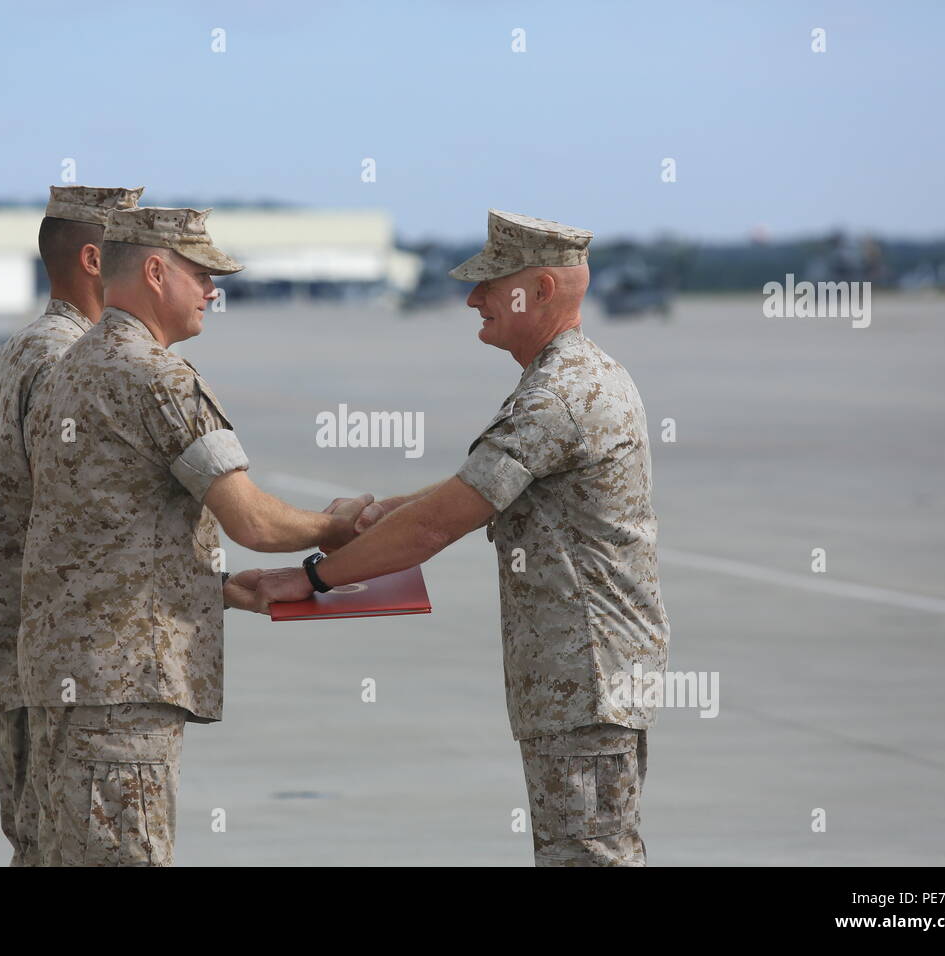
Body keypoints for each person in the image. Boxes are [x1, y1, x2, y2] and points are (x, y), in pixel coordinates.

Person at [246, 209, 670, 867]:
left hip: (582, 678)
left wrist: (310, 580)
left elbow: (442, 522)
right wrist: (382, 512)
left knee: (587, 856)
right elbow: (472, 488)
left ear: (542, 290)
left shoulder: (557, 394)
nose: (474, 297)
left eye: (491, 284)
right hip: (587, 677)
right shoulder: (579, 375)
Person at [18, 205, 372, 866]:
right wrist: (336, 527)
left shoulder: (66, 371)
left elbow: (97, 533)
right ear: (156, 272)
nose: (213, 290)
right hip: (125, 698)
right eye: (202, 273)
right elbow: (254, 521)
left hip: (65, 685)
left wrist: (220, 588)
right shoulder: (156, 378)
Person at [0, 184, 143, 866]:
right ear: (97, 260)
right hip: (60, 663)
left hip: (13, 647)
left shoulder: (12, 356)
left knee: (39, 848)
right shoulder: (67, 363)